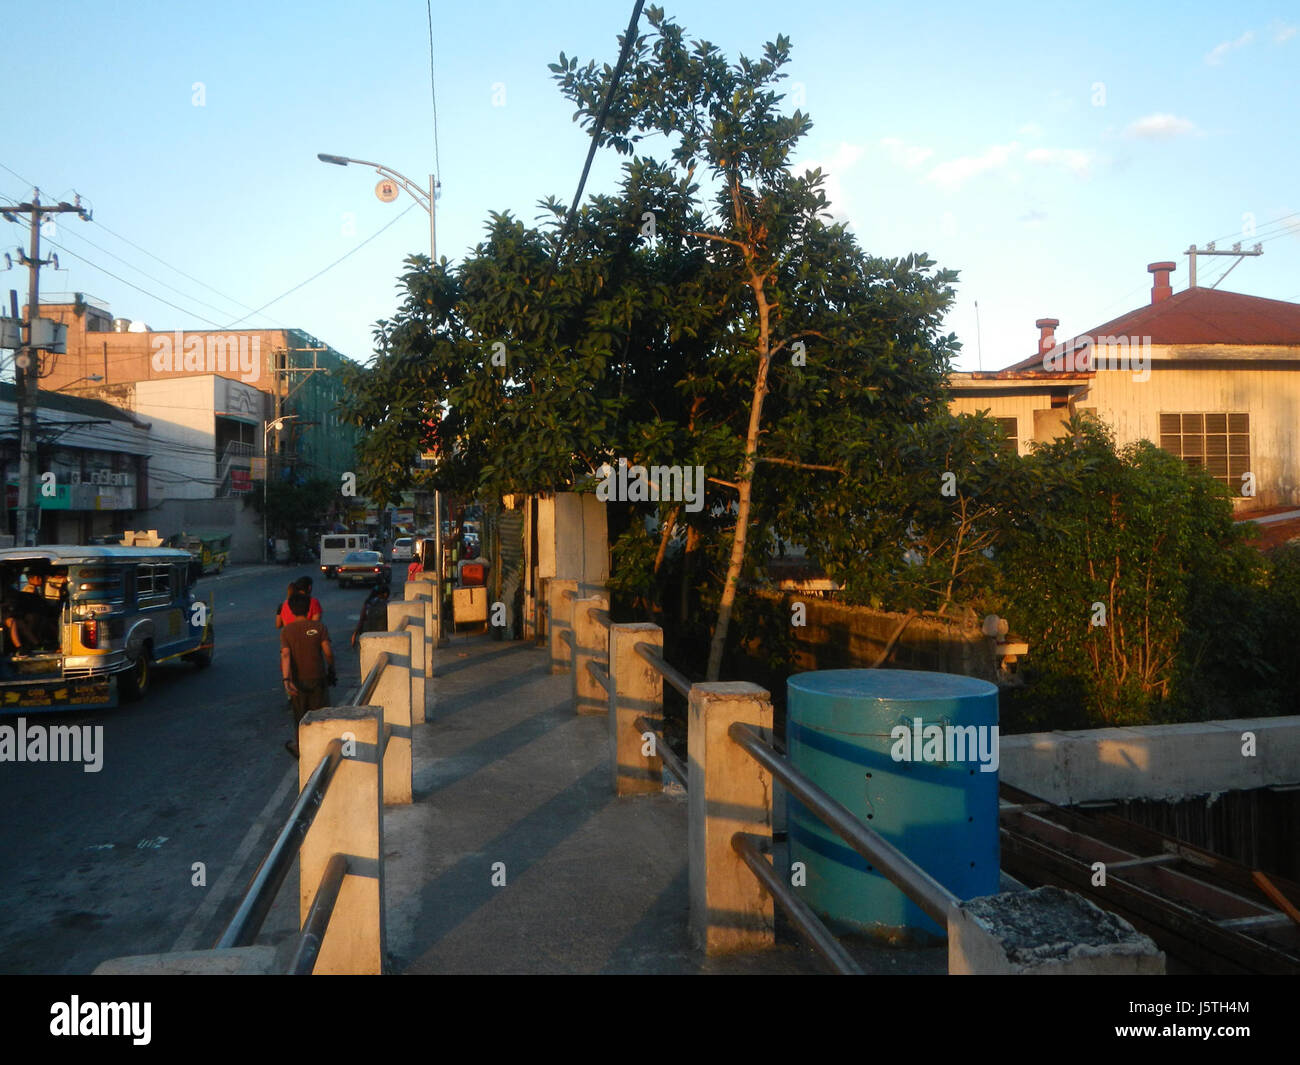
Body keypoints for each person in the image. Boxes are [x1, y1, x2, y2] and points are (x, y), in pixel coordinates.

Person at [280, 591, 336, 758]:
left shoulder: (287, 631)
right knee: (321, 713)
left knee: (300, 716)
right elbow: (328, 651)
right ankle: (325, 748)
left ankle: (301, 747)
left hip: (298, 680)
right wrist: (331, 668)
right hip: (318, 677)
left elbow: (285, 655)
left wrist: (286, 679)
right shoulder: (319, 627)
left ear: (290, 610)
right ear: (309, 609)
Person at [352, 582, 391, 649]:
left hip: (368, 634)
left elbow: (361, 619)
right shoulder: (388, 604)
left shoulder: (368, 603)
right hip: (383, 634)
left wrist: (355, 634)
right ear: (385, 594)